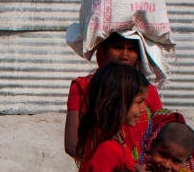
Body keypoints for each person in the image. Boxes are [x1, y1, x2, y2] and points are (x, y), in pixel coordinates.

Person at [69, 62, 149, 172]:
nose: (142, 109)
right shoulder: (107, 150)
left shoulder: (115, 140)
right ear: (114, 104)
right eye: (138, 102)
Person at [64, 32, 163, 161]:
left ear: (139, 54)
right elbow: (72, 144)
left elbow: (161, 135)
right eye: (117, 47)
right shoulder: (83, 86)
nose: (124, 55)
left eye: (131, 49)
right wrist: (104, 163)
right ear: (104, 50)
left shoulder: (148, 91)